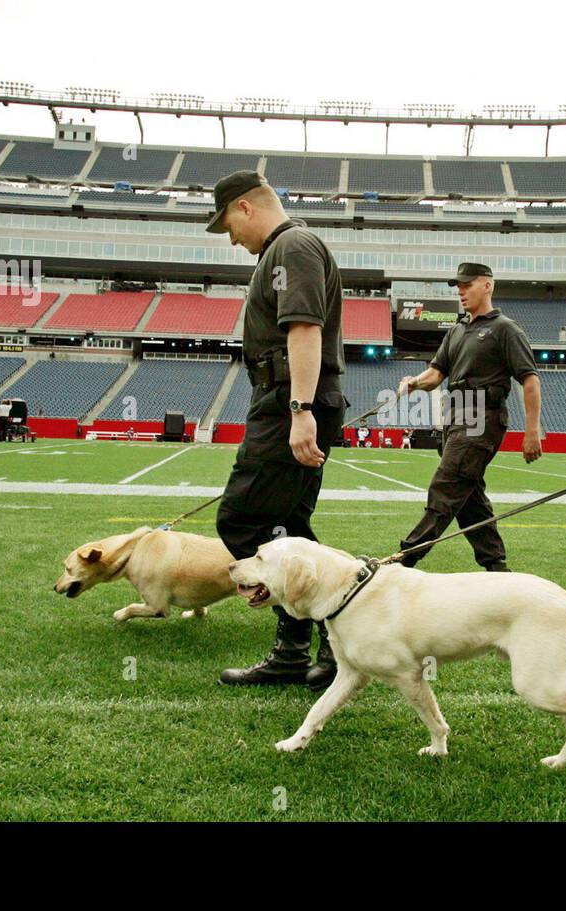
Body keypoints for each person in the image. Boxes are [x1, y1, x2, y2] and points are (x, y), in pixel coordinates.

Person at [207, 170, 348, 691]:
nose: (231, 238)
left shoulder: (292, 247)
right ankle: (310, 645)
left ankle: (332, 622)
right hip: (284, 400)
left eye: (227, 225)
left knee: (242, 521)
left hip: (288, 401)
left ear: (245, 207)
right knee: (288, 524)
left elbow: (305, 329)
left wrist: (300, 409)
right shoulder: (286, 250)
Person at [396, 262, 543, 571]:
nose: (460, 291)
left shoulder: (505, 329)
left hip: (482, 417)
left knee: (446, 488)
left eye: (467, 285)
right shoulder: (457, 331)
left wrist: (532, 430)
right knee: (468, 497)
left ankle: (404, 558)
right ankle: (497, 568)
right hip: (454, 418)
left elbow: (529, 380)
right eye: (458, 287)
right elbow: (436, 374)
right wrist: (414, 383)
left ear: (487, 285)